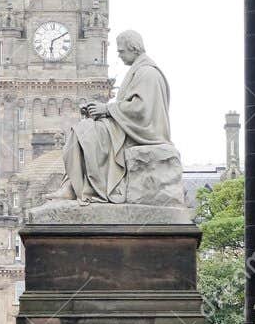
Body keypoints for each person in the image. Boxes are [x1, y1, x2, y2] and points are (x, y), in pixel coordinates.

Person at [55, 30, 173, 203]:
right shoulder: (138, 70)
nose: (120, 56)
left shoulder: (147, 73)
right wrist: (99, 111)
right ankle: (72, 186)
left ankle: (81, 188)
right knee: (83, 130)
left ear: (134, 48)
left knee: (85, 132)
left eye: (121, 51)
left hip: (142, 132)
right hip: (129, 127)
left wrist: (106, 109)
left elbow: (141, 109)